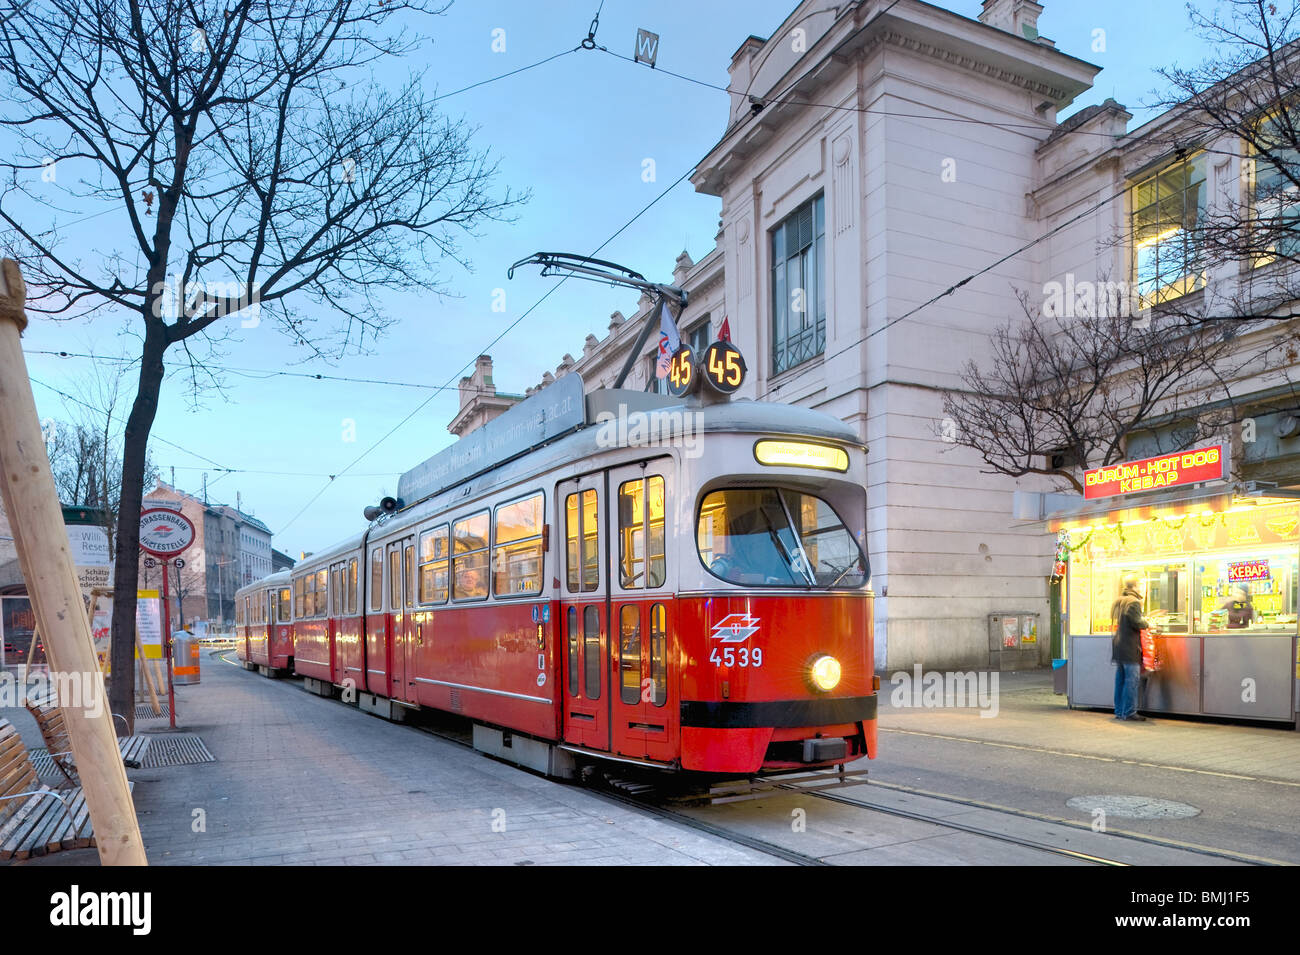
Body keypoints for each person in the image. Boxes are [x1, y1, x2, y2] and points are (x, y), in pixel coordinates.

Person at [1110, 573, 1150, 722]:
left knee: (1120, 679)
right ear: (1135, 586)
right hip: (1129, 647)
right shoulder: (1133, 602)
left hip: (1119, 645)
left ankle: (1119, 711)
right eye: (1141, 585)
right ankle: (1129, 712)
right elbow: (1136, 622)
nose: (1143, 588)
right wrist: (1148, 622)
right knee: (1131, 680)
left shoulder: (1120, 600)